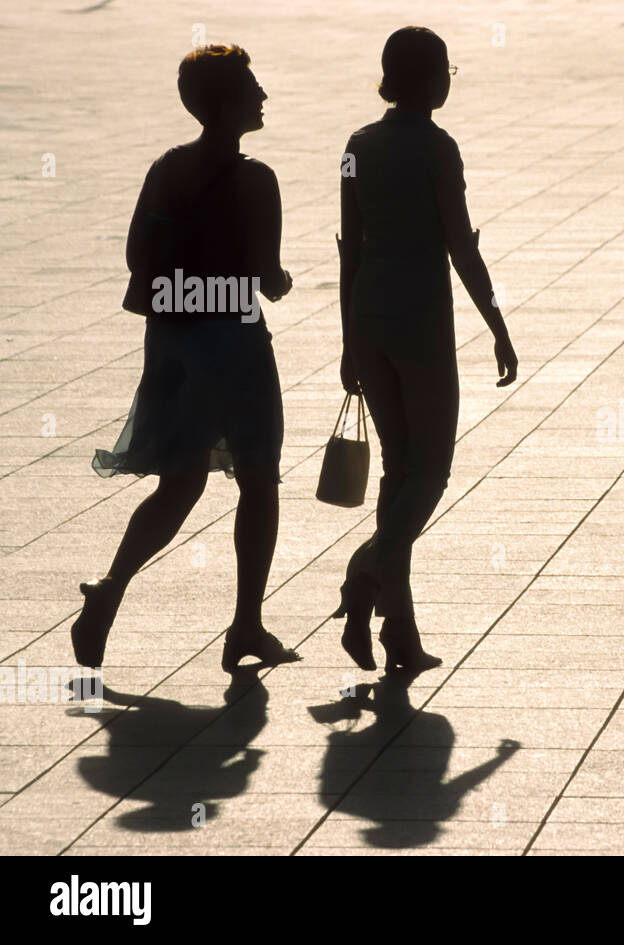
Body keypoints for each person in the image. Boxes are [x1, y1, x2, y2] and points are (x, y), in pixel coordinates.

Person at [71, 44, 301, 674]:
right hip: (235, 345)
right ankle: (247, 624)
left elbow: (135, 256)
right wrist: (278, 283)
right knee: (258, 480)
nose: (262, 95)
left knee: (183, 481)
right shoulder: (258, 180)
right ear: (227, 104)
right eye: (251, 86)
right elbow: (265, 274)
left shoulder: (167, 167)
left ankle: (110, 590)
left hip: (174, 341)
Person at [334, 26, 518, 675]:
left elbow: (348, 248)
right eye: (448, 70)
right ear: (432, 79)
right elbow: (460, 248)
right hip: (420, 326)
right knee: (431, 472)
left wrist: (347, 342)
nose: (450, 80)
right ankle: (365, 576)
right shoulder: (439, 150)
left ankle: (398, 635)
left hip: (369, 320)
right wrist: (496, 323)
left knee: (398, 469)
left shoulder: (357, 147)